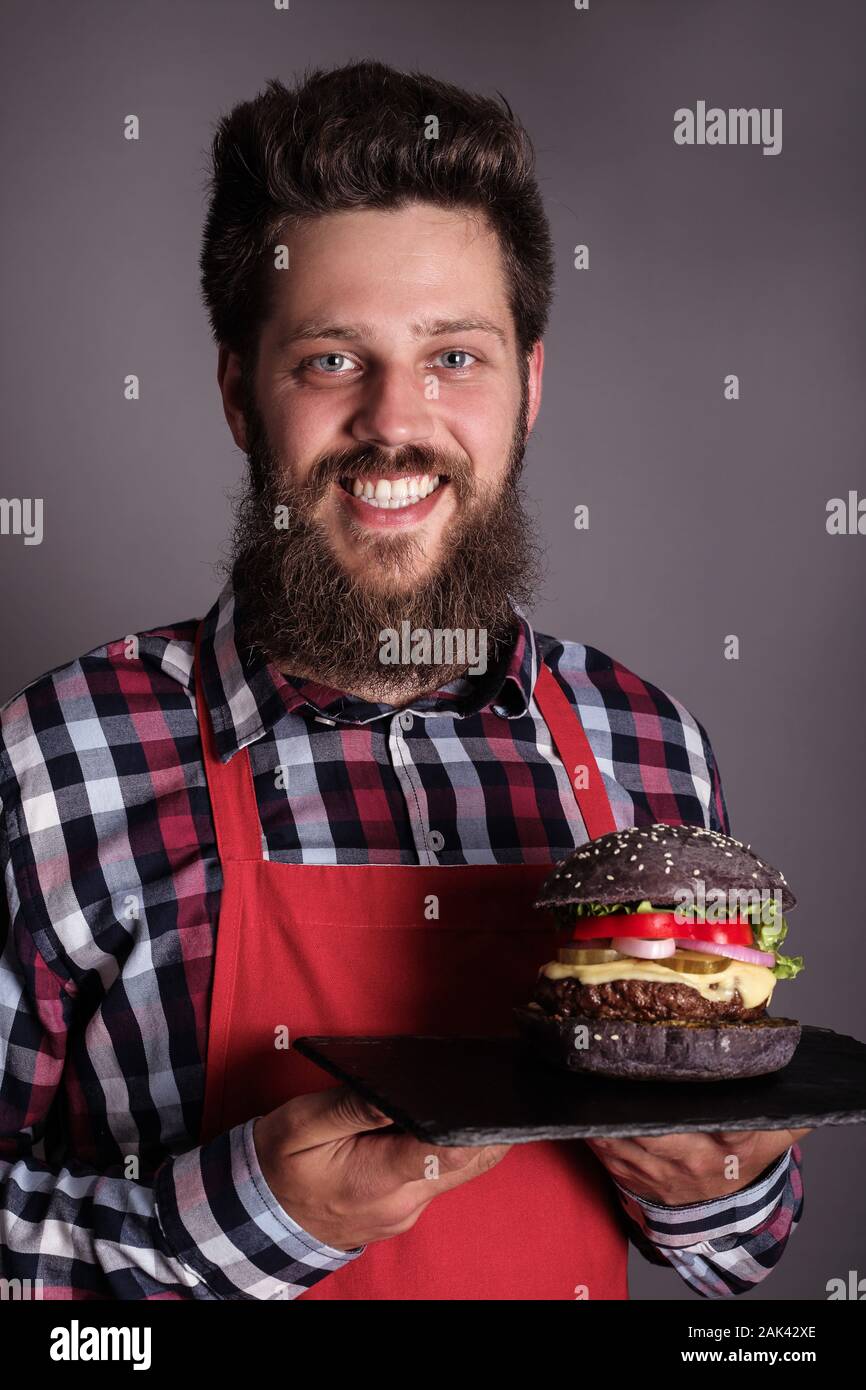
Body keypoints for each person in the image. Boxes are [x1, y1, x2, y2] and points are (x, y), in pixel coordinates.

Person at [0, 59, 807, 1301]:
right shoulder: (54, 757)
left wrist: (713, 1189)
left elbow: (738, 1261)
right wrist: (235, 1221)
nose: (395, 419)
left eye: (454, 357)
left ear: (528, 385)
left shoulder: (646, 745)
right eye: (331, 359)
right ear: (237, 394)